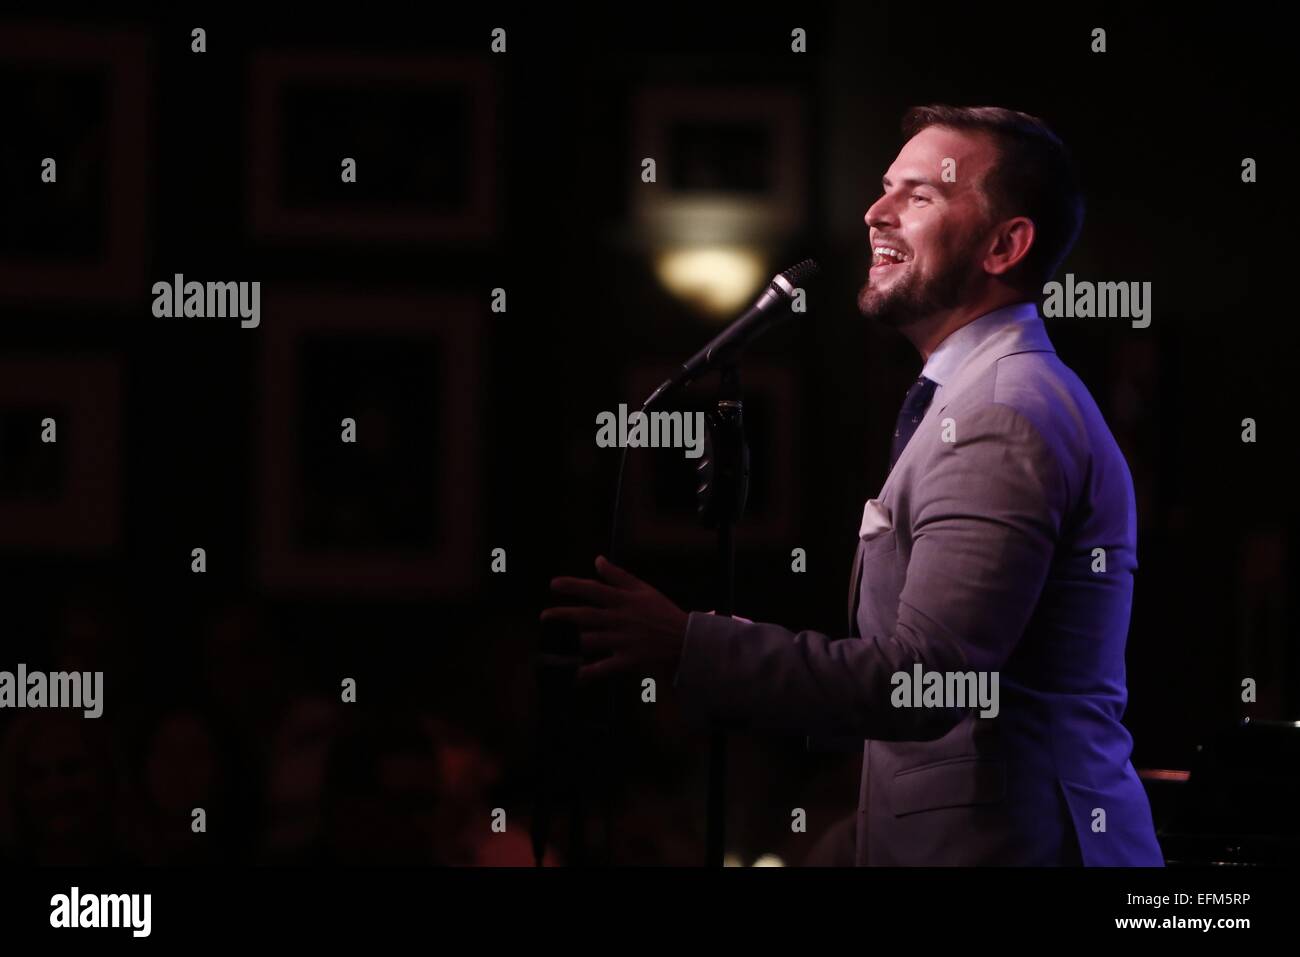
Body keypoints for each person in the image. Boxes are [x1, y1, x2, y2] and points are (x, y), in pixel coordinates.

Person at [542, 105, 1163, 866]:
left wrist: (691, 644)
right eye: (882, 188)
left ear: (1006, 245)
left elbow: (929, 680)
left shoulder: (1000, 413)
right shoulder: (978, 396)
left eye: (919, 195)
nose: (876, 213)